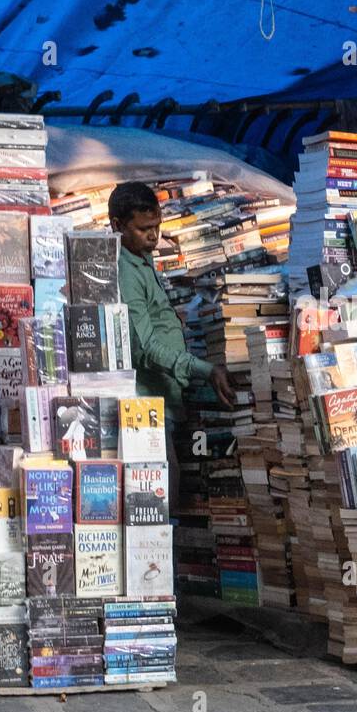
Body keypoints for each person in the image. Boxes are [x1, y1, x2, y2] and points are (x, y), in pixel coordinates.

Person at [109, 182, 236, 498]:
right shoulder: (124, 269)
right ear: (116, 226)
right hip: (146, 396)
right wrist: (205, 370)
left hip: (166, 391)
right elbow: (146, 347)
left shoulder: (142, 256)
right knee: (160, 482)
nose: (153, 236)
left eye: (157, 226)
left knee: (171, 473)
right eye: (143, 229)